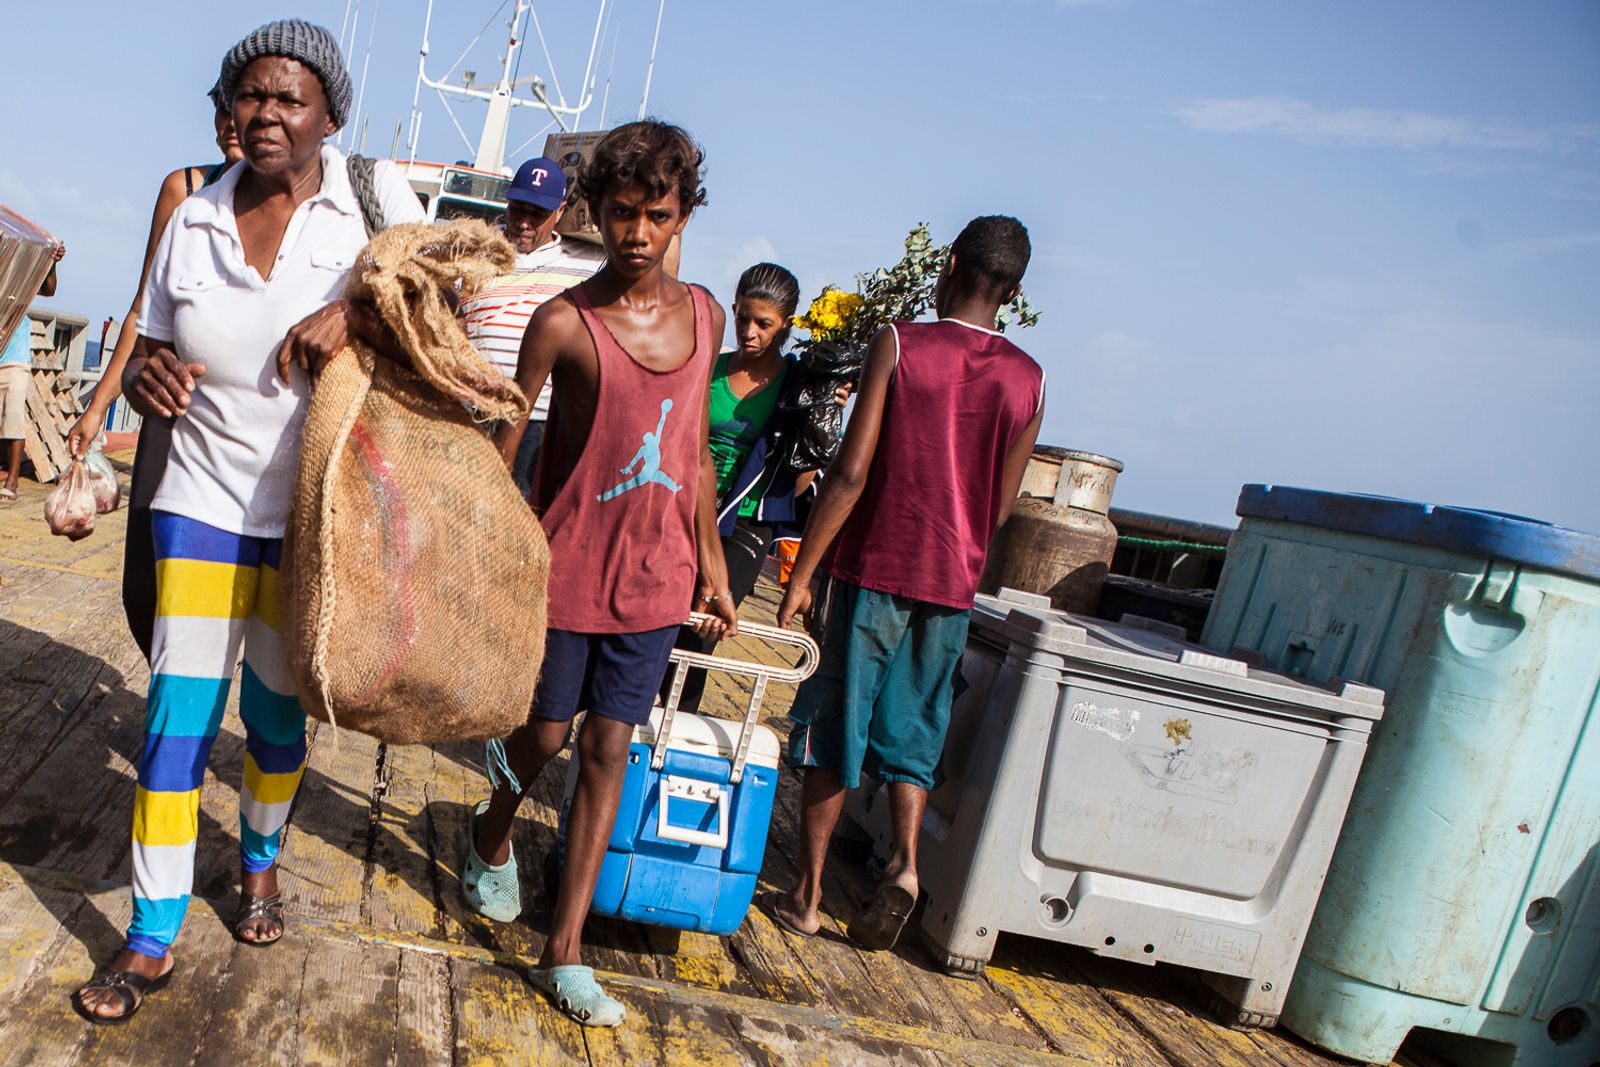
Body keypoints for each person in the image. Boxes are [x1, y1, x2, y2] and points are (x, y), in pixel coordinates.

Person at [72, 18, 424, 1024]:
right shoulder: (193, 213)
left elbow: (440, 300)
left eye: (289, 98)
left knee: (274, 717)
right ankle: (151, 934)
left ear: (329, 115)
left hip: (314, 513)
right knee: (175, 720)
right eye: (251, 96)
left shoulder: (373, 200)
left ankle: (260, 857)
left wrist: (358, 312)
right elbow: (151, 341)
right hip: (199, 499)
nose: (266, 114)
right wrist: (144, 378)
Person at [466, 119, 737, 1028]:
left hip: (658, 576)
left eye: (657, 215)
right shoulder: (563, 322)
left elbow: (693, 452)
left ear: (683, 215)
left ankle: (565, 949)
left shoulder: (708, 316)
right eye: (621, 213)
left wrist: (713, 567)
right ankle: (491, 831)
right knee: (545, 733)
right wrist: (485, 555)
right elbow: (506, 448)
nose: (638, 233)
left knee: (608, 748)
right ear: (595, 212)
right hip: (568, 565)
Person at [769, 216, 1045, 952]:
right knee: (916, 729)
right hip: (952, 581)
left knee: (836, 723)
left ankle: (807, 895)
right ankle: (906, 864)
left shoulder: (901, 343)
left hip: (875, 566)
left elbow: (850, 472)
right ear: (1014, 291)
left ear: (949, 264)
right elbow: (1001, 507)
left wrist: (803, 572)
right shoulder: (1031, 379)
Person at [66, 80, 245, 659]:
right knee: (143, 583)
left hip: (246, 419)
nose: (230, 121)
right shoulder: (184, 190)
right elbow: (143, 307)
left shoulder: (302, 207)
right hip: (169, 403)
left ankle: (195, 688)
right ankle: (166, 678)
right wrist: (96, 409)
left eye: (242, 106)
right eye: (221, 108)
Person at [658, 262, 845, 712]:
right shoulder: (709, 366)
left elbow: (800, 481)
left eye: (764, 323)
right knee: (659, 621)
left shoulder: (796, 387)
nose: (749, 332)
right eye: (743, 318)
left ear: (786, 325)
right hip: (684, 508)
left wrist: (822, 413)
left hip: (746, 522)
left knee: (702, 631)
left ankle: (676, 726)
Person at [459, 156, 606, 493]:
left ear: (560, 211)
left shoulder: (589, 262)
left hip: (537, 421)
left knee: (519, 508)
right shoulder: (473, 252)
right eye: (518, 209)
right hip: (469, 410)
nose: (524, 223)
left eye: (537, 214)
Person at [0, 242, 64, 504]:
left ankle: (12, 480)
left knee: (13, 418)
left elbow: (48, 290)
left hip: (14, 357)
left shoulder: (21, 276)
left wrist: (53, 263)